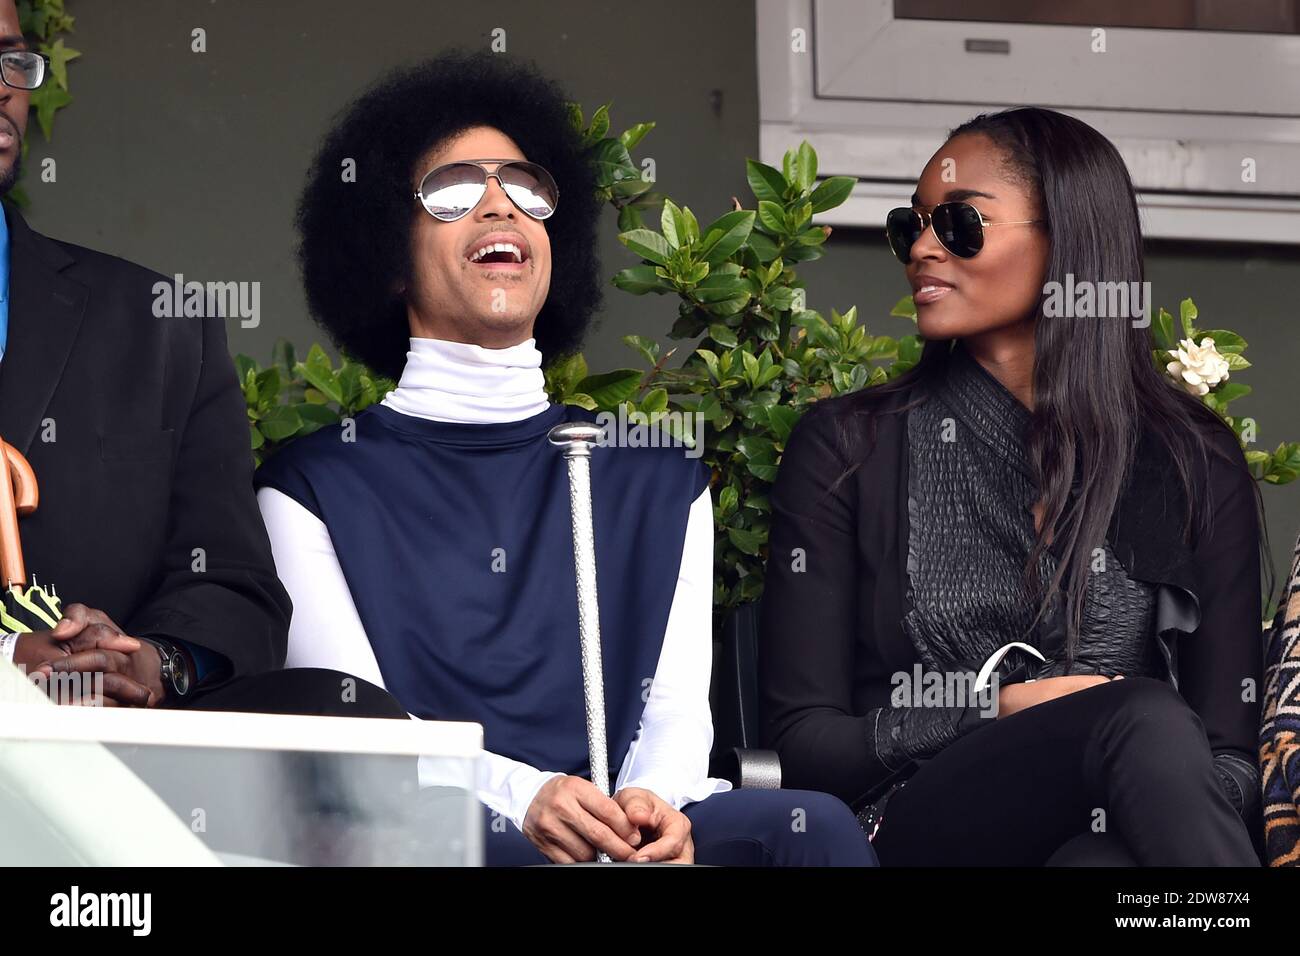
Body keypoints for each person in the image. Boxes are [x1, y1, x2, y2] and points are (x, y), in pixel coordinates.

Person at [254, 50, 876, 866]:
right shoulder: (310, 486)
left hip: (629, 824)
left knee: (815, 834)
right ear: (387, 253)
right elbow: (361, 733)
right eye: (451, 191)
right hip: (450, 821)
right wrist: (527, 799)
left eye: (524, 188)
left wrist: (649, 811)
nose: (496, 208)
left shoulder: (657, 477)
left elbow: (678, 716)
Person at [759, 106, 1268, 866]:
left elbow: (1231, 760)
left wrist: (1138, 781)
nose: (923, 250)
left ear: (1068, 241)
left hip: (1125, 831)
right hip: (922, 826)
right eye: (913, 225)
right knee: (1139, 714)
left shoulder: (1191, 458)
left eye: (961, 223)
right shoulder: (848, 445)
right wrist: (992, 710)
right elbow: (801, 745)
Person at [0, 0, 399, 722]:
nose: (1, 84)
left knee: (345, 715)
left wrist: (153, 659)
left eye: (10, 59)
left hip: (120, 761)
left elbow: (231, 583)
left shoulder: (159, 324)